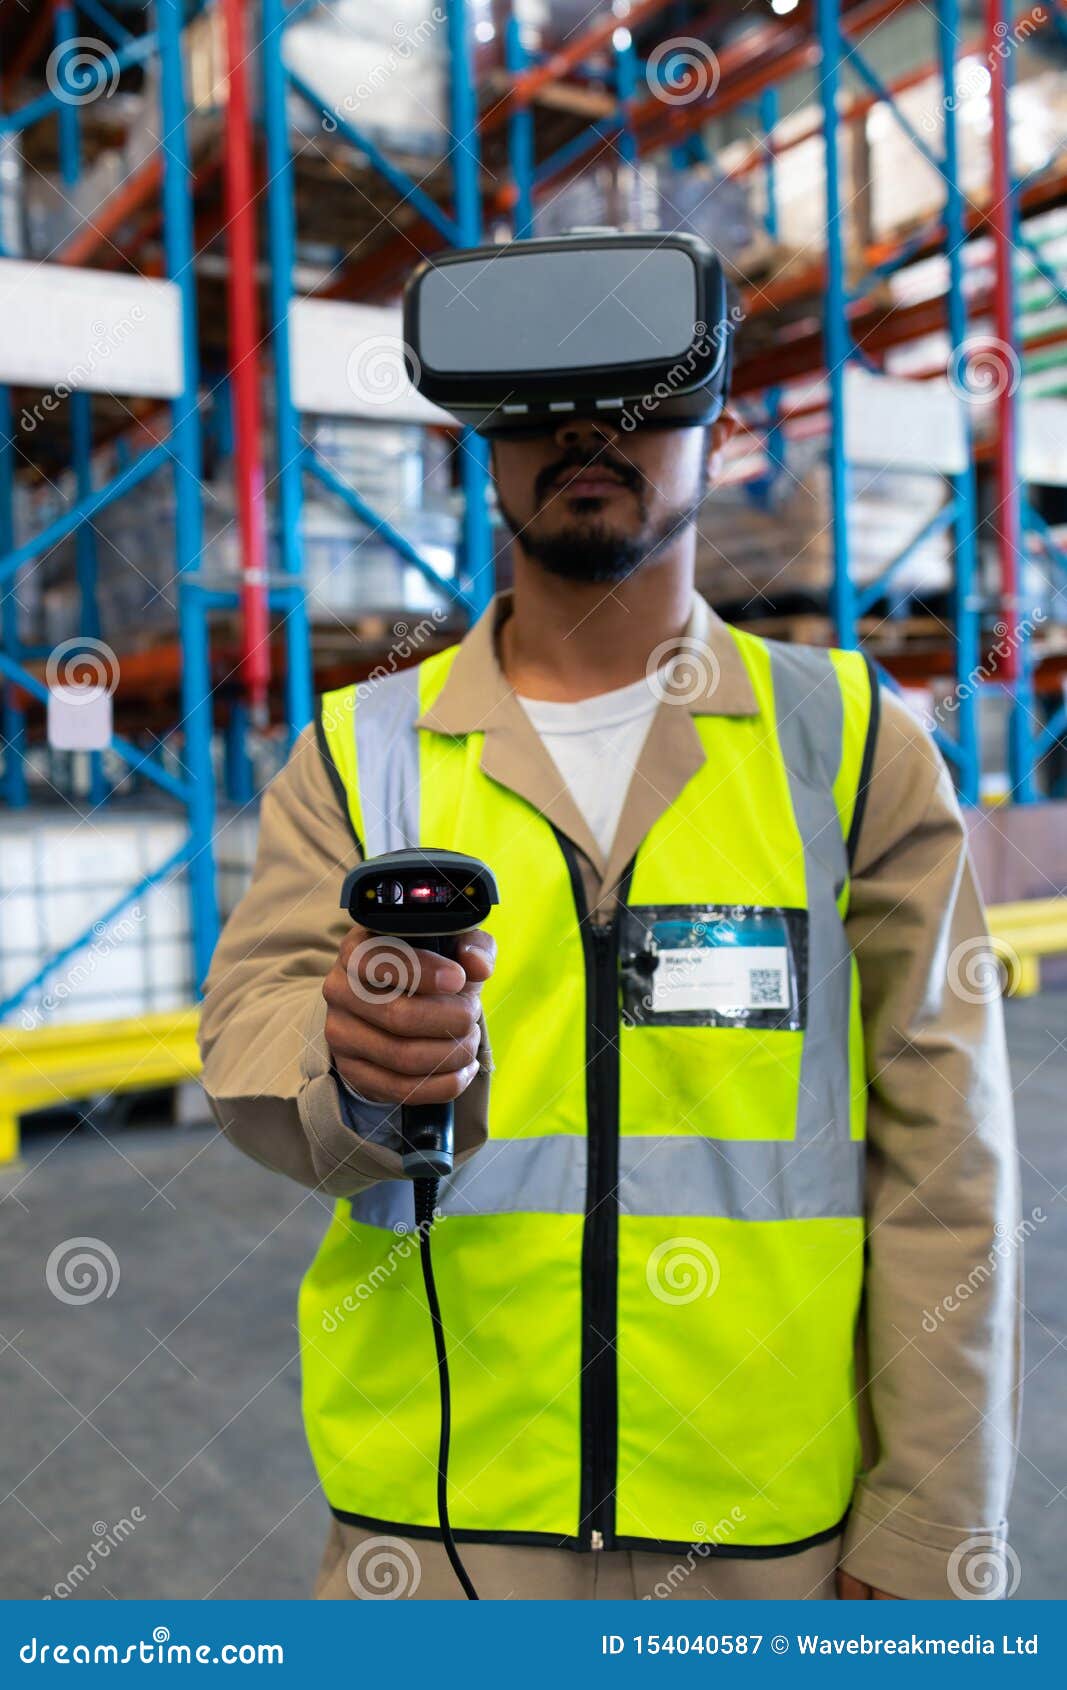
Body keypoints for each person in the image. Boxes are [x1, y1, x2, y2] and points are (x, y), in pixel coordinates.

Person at [199, 273, 1019, 1605]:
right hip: (438, 1536)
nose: (587, 432)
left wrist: (931, 1543)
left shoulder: (854, 745)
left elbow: (948, 1169)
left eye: (631, 399)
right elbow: (246, 1035)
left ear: (720, 425)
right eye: (542, 408)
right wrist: (345, 1062)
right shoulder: (359, 754)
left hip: (766, 1541)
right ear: (484, 440)